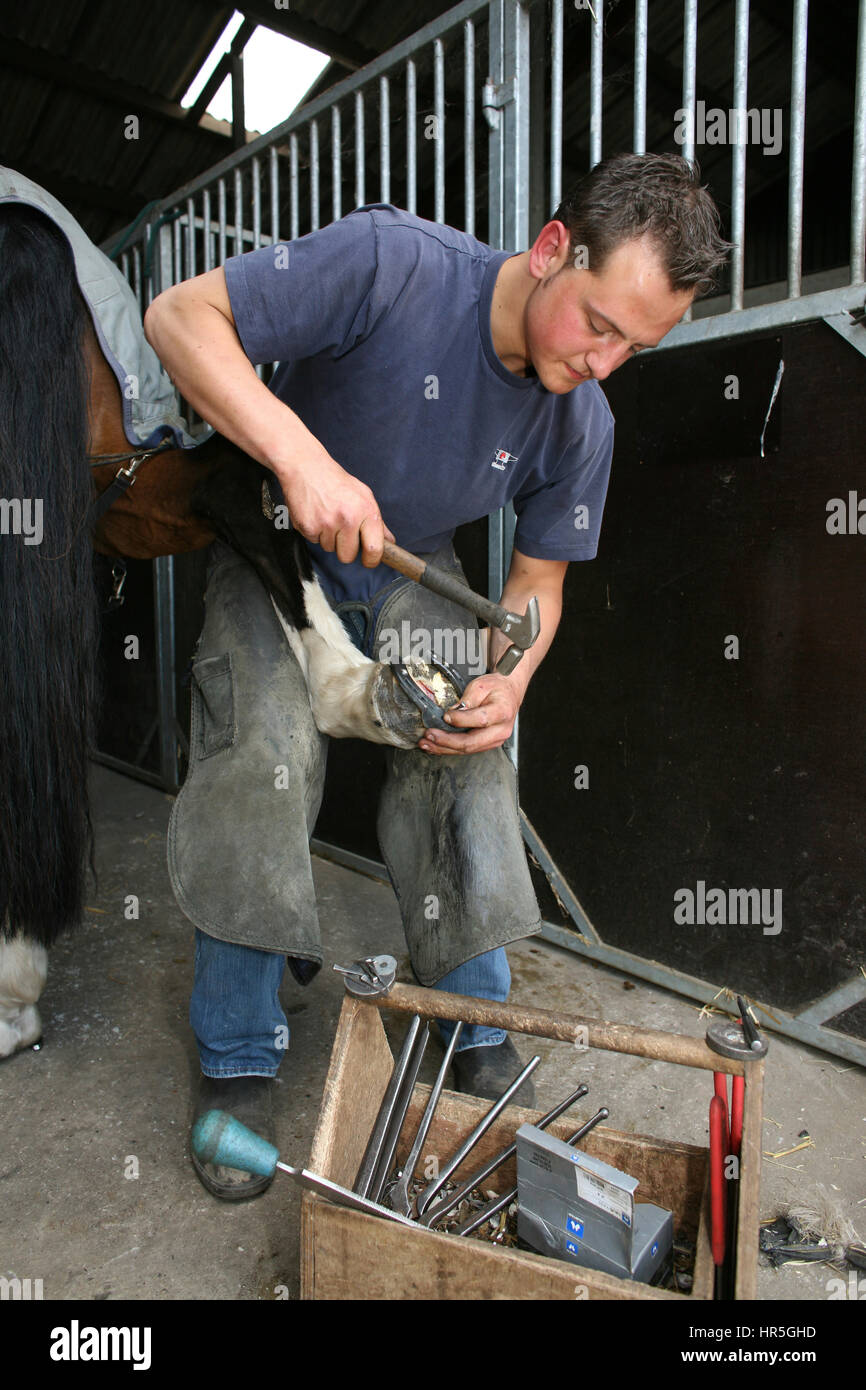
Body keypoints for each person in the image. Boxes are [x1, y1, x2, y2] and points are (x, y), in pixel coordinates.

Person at [144, 152, 730, 1199]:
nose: (603, 361)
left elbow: (537, 581)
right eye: (596, 322)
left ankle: (471, 1017)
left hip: (414, 563)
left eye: (633, 347)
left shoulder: (581, 419)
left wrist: (516, 673)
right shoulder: (392, 263)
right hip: (274, 538)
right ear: (552, 249)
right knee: (261, 754)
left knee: (469, 741)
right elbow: (178, 316)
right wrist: (300, 458)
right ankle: (237, 1050)